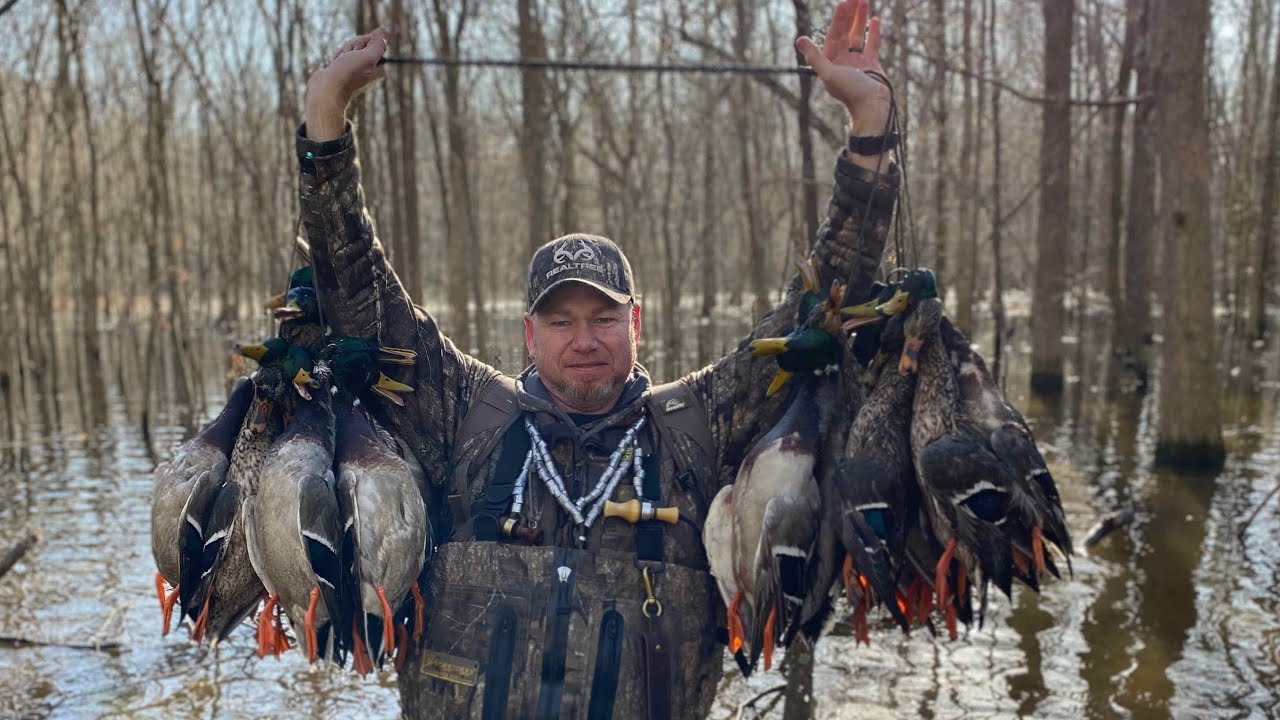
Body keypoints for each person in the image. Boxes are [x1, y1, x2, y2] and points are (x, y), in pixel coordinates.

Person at [297, 2, 899, 717]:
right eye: (562, 320)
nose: (584, 339)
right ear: (530, 333)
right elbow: (358, 292)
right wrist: (326, 117)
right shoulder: (466, 414)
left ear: (635, 323)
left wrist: (869, 132)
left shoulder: (695, 428)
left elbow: (818, 313)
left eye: (604, 317)